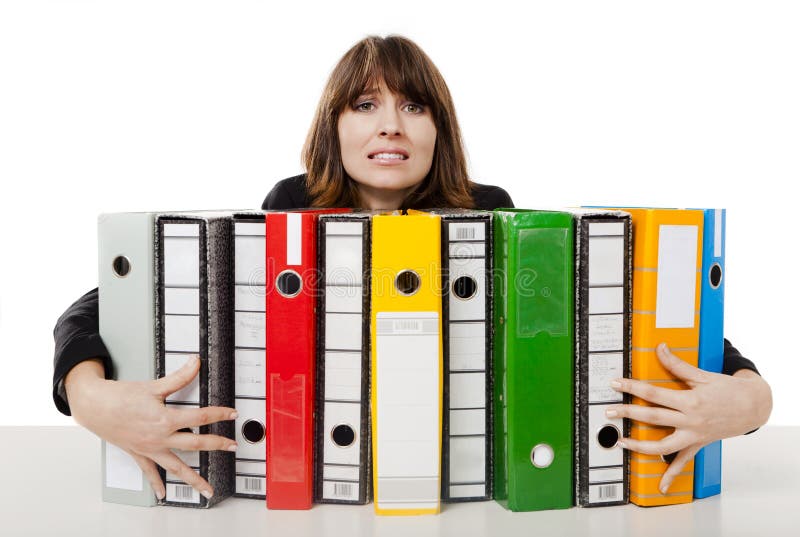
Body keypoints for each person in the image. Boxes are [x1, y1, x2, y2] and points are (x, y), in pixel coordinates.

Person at [53, 34, 771, 503]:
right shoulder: (289, 212)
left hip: (463, 497)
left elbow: (619, 326)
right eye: (365, 104)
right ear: (334, 126)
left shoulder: (494, 219)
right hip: (306, 496)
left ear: (439, 129)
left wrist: (751, 399)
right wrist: (88, 395)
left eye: (413, 105)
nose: (389, 123)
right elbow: (102, 304)